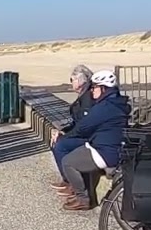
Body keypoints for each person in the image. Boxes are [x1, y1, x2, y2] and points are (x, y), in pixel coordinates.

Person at [49, 69, 130, 211]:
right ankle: (78, 192)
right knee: (71, 155)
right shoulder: (115, 103)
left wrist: (64, 135)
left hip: (106, 151)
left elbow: (83, 128)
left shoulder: (104, 107)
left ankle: (83, 199)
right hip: (109, 146)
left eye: (94, 87)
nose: (92, 90)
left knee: (68, 162)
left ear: (103, 88)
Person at [49, 65, 96, 147]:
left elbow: (84, 126)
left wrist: (66, 135)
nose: (71, 83)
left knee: (59, 145)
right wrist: (63, 131)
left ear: (79, 81)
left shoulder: (88, 97)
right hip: (84, 133)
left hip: (90, 138)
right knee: (58, 140)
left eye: (72, 80)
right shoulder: (85, 94)